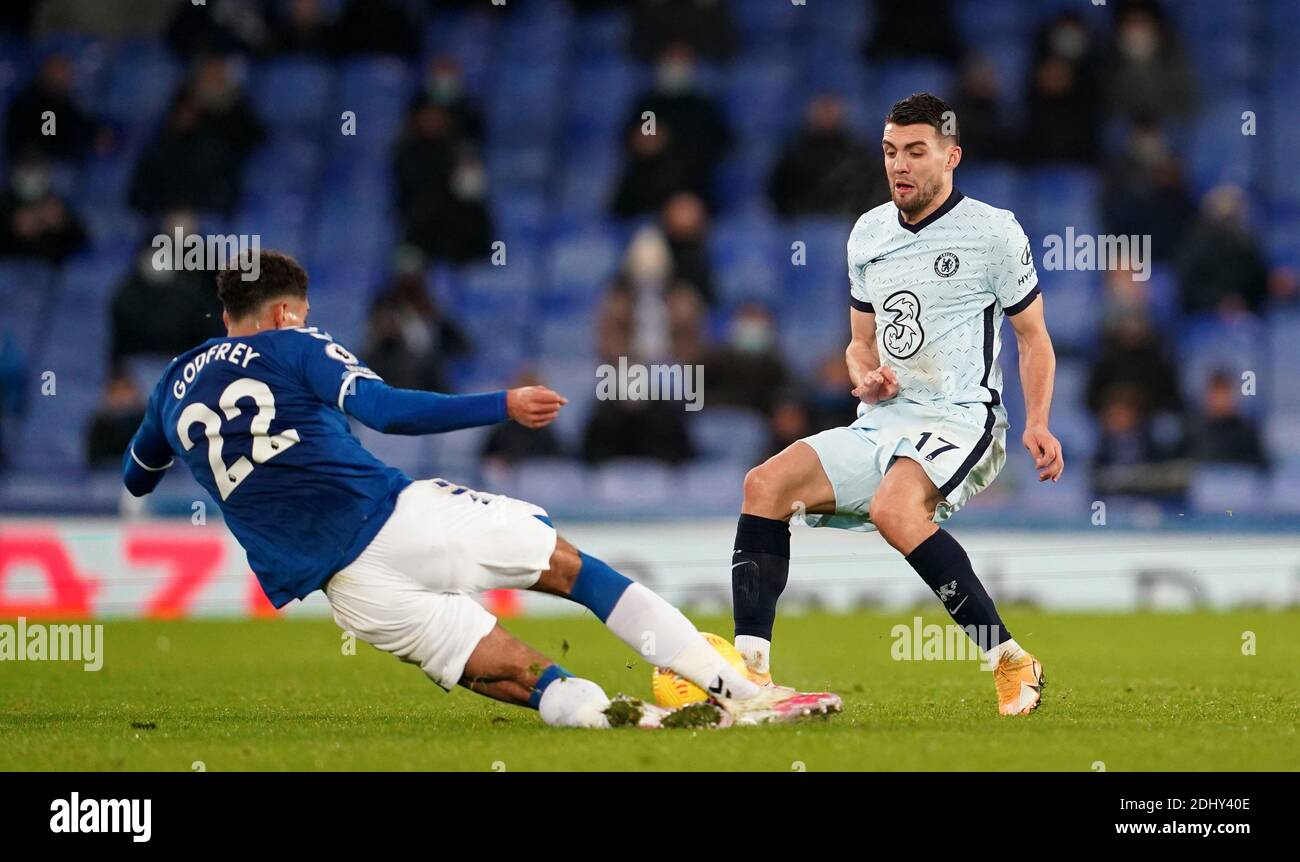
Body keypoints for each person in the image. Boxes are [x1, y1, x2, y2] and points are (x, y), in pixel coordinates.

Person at [122, 250, 839, 729]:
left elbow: (137, 474)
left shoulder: (169, 388)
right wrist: (502, 403)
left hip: (347, 589)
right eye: (301, 315)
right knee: (571, 568)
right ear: (286, 313)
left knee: (507, 671)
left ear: (227, 316)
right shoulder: (292, 345)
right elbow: (385, 411)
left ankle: (625, 719)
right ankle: (743, 694)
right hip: (395, 519)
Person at [726, 94, 1062, 717]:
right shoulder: (868, 234)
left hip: (961, 414)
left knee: (894, 510)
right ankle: (750, 680)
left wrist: (1038, 421)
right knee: (764, 485)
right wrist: (867, 377)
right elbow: (859, 344)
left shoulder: (994, 231)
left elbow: (1032, 336)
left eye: (915, 151)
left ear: (951, 157)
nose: (899, 165)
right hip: (886, 418)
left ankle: (1009, 659)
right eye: (889, 152)